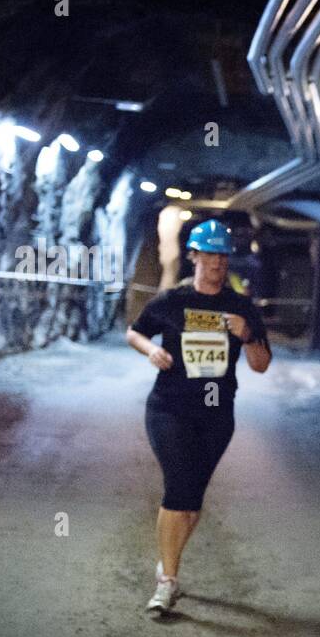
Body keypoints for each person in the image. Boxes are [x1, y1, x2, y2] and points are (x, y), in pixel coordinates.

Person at [125, 219, 272, 614]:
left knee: (192, 502)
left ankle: (167, 561)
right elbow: (134, 332)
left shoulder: (241, 308)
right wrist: (150, 351)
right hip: (169, 409)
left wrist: (247, 335)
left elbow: (260, 365)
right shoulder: (172, 301)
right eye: (208, 256)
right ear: (193, 257)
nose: (216, 265)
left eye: (222, 258)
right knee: (178, 489)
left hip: (217, 415)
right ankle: (167, 582)